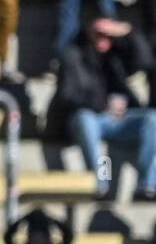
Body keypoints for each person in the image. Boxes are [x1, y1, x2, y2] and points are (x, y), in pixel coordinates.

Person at [47, 13, 156, 201]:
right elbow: (69, 95)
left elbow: (146, 62)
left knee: (152, 119)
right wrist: (103, 105)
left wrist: (128, 32)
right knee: (86, 121)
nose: (103, 39)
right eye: (98, 33)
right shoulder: (73, 54)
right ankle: (101, 181)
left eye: (108, 34)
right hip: (89, 118)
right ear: (88, 31)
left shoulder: (117, 54)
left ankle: (146, 184)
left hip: (118, 119)